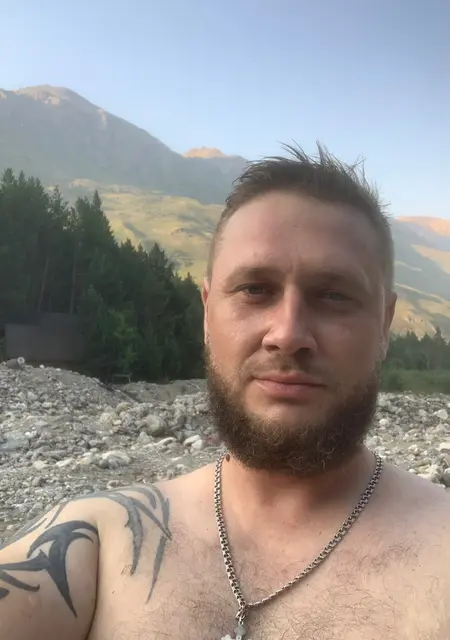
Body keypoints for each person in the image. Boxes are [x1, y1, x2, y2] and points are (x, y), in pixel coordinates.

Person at [1, 146, 450, 640]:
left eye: (334, 295)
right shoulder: (96, 542)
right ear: (207, 312)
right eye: (255, 289)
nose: (288, 333)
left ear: (384, 325)